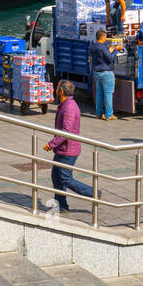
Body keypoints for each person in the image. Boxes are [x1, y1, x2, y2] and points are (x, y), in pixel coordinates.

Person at [44, 80, 94, 212]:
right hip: (62, 149)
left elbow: (65, 132)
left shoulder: (69, 107)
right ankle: (61, 205)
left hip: (68, 150)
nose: (55, 91)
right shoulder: (65, 104)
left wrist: (51, 144)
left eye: (56, 89)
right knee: (56, 177)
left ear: (61, 91)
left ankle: (93, 193)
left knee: (65, 178)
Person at [90, 29, 120, 120]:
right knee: (108, 94)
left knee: (99, 93)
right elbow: (110, 58)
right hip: (106, 73)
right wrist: (116, 50)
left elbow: (102, 55)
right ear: (102, 37)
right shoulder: (103, 47)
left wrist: (109, 49)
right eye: (105, 37)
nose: (106, 39)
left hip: (97, 72)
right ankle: (109, 115)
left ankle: (99, 113)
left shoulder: (93, 46)